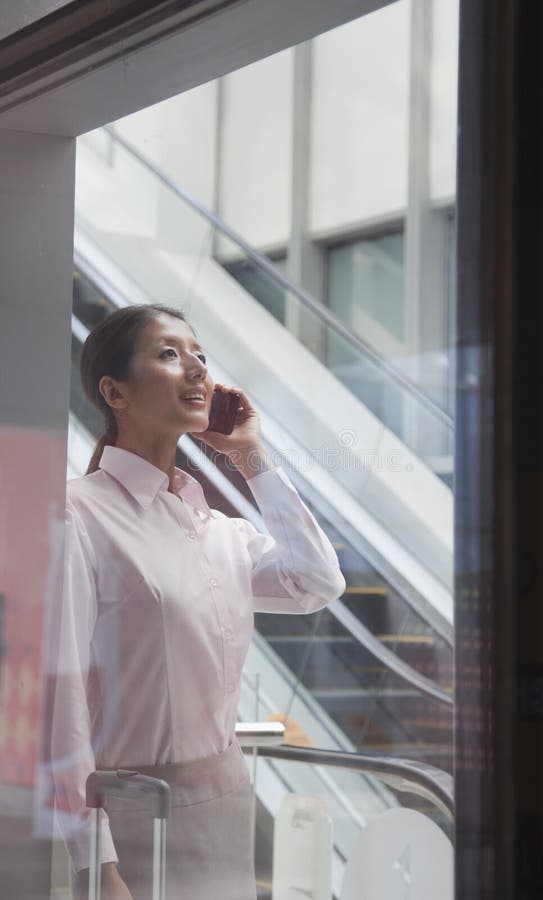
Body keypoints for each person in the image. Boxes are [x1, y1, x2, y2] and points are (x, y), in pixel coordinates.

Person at [49, 303, 346, 899]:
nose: (196, 371)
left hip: (225, 809)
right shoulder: (75, 512)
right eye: (168, 354)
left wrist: (249, 458)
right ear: (116, 392)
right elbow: (62, 700)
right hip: (132, 819)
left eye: (200, 357)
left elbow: (317, 582)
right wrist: (96, 862)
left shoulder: (216, 528)